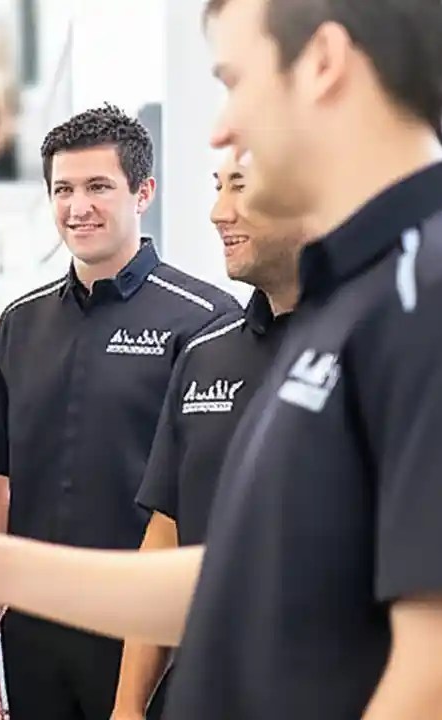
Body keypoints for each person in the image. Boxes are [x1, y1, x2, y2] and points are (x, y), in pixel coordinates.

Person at [0, 0, 442, 718]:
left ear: (324, 63)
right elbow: (248, 577)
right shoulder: (348, 300)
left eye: (236, 80)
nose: (222, 128)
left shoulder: (440, 294)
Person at [0, 104, 238, 720]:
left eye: (98, 187)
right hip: (36, 631)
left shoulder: (207, 323)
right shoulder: (19, 326)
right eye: (63, 189)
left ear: (143, 192)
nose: (78, 207)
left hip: (152, 631)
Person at [110, 154, 306, 720]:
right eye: (217, 188)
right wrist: (128, 705)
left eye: (240, 188)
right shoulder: (205, 355)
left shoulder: (382, 346)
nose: (219, 213)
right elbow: (166, 536)